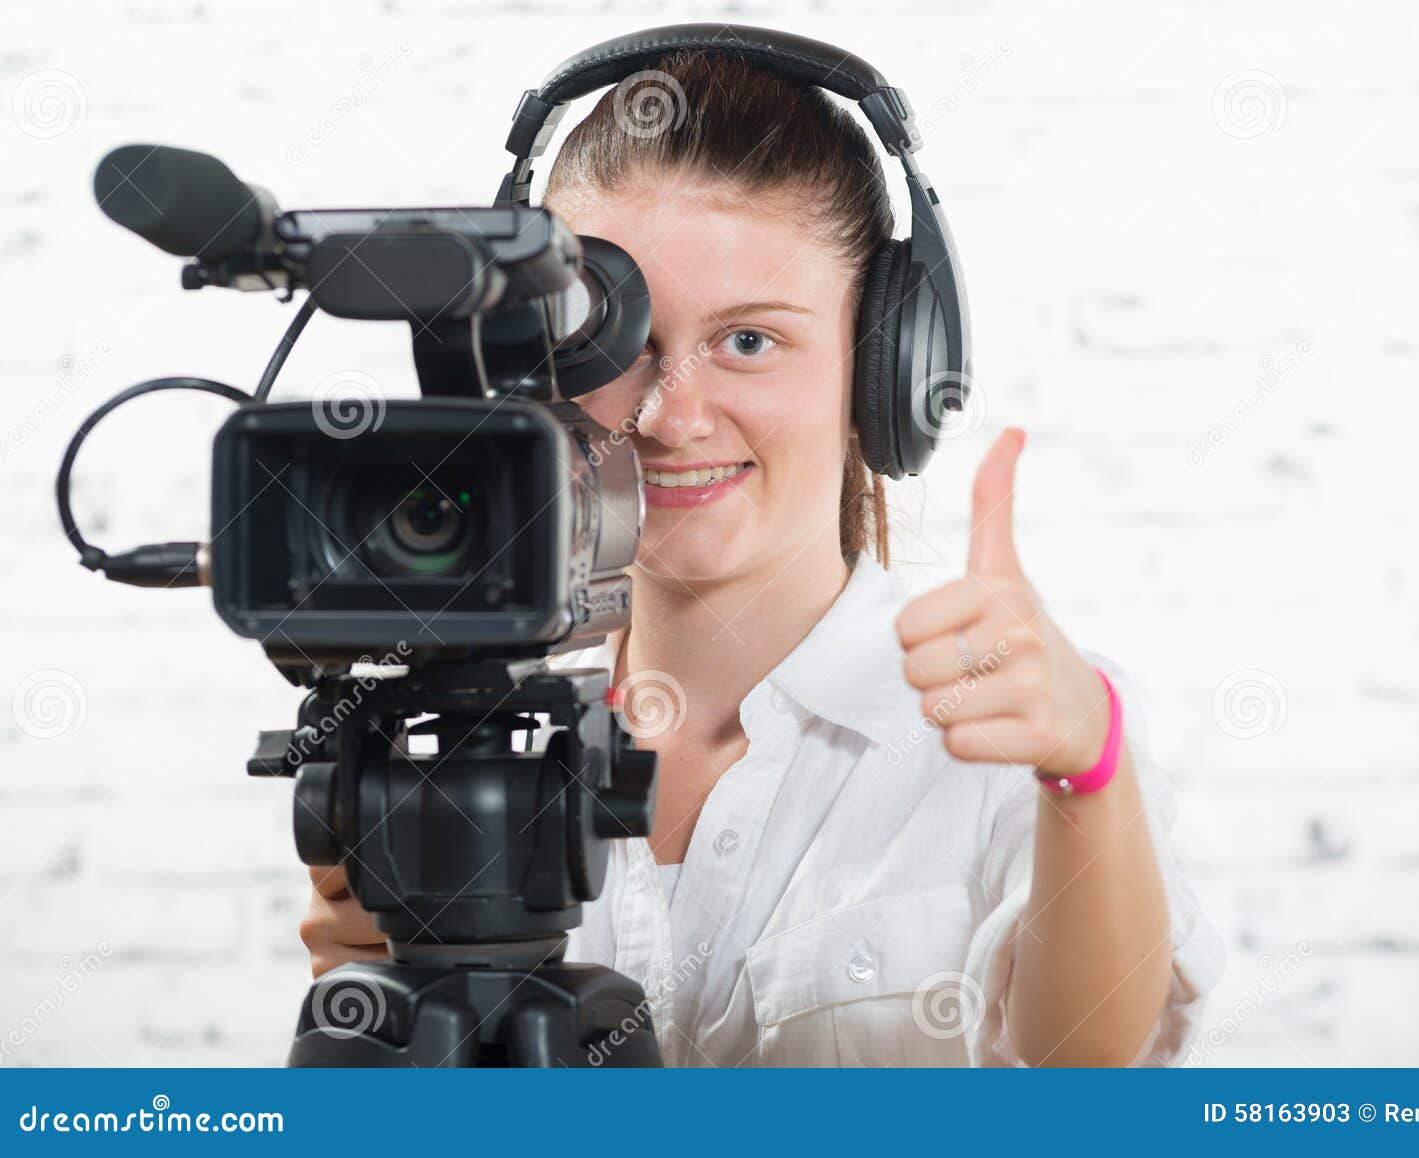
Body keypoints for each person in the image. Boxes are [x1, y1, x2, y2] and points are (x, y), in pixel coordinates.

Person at [301, 49, 1223, 1067]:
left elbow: (1089, 1071)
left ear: (884, 368)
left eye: (748, 341)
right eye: (616, 343)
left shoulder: (1017, 726)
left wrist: (1084, 771)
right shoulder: (449, 748)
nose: (671, 413)